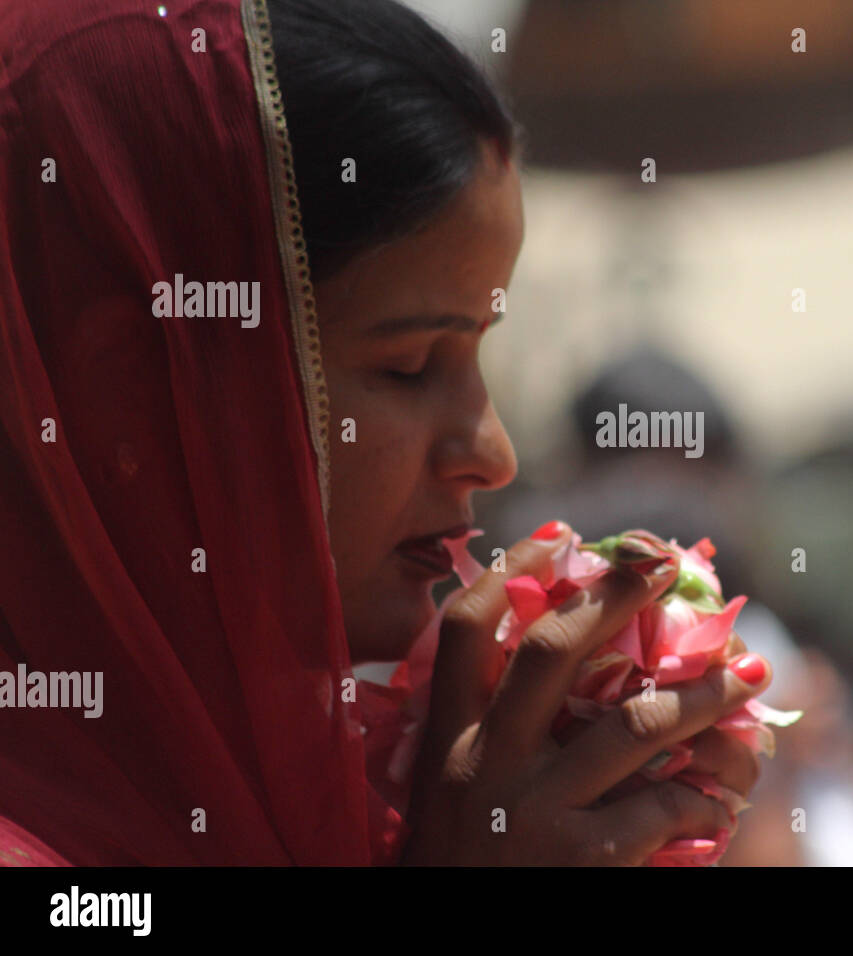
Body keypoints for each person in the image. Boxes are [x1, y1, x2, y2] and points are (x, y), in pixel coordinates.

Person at [0, 0, 771, 865]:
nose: (494, 454)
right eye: (410, 367)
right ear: (127, 393)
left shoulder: (363, 804)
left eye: (479, 356)